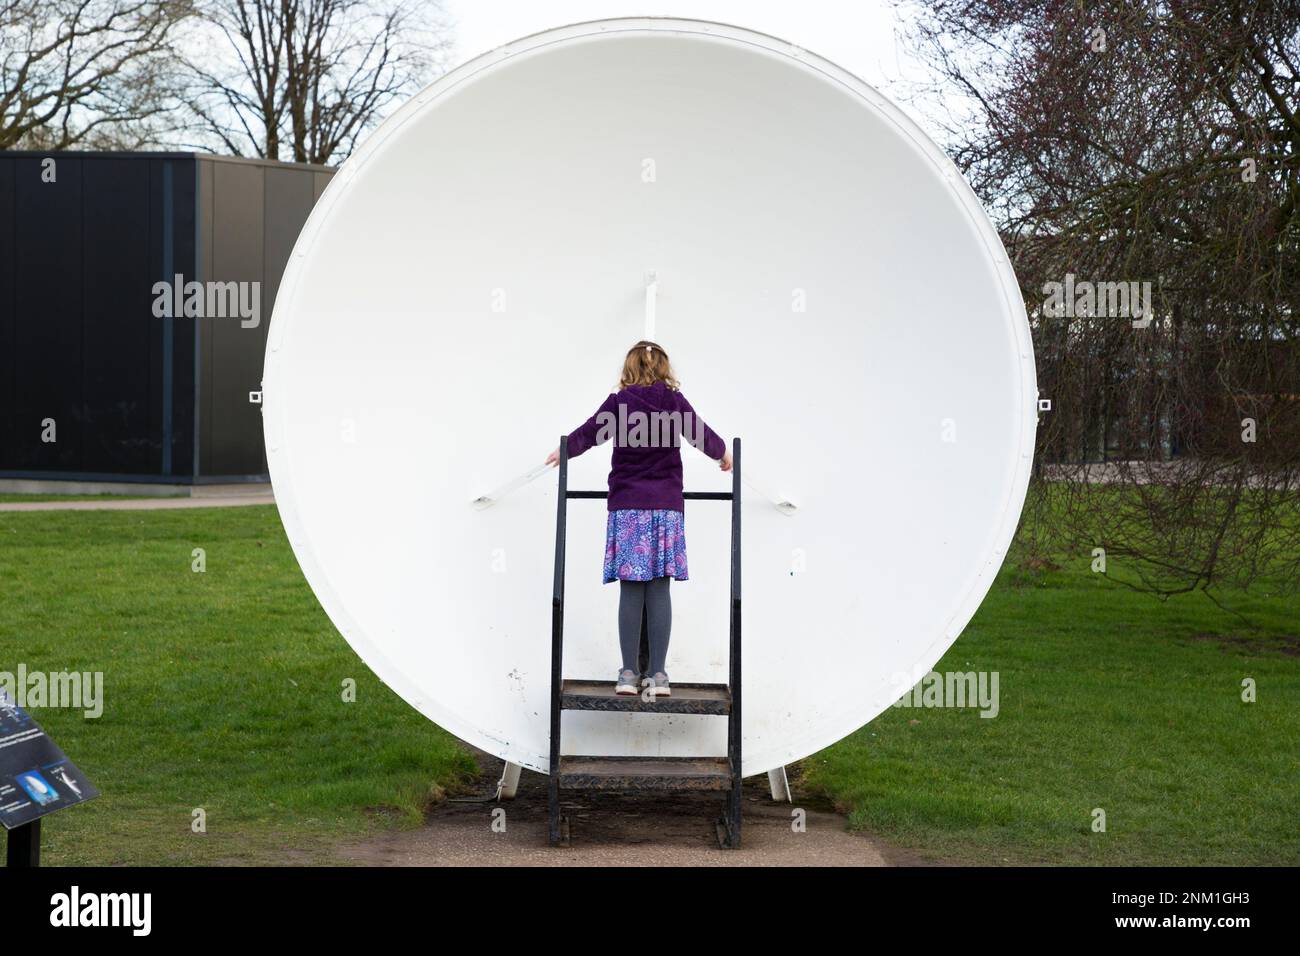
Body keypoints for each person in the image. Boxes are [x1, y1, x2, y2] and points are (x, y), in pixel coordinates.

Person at [546, 340, 731, 698]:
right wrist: (724, 455)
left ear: (628, 368)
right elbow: (702, 436)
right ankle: (659, 675)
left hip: (628, 508)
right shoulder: (673, 403)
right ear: (664, 368)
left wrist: (564, 450)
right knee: (660, 589)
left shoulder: (619, 404)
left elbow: (588, 433)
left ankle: (629, 674)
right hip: (665, 508)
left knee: (631, 590)